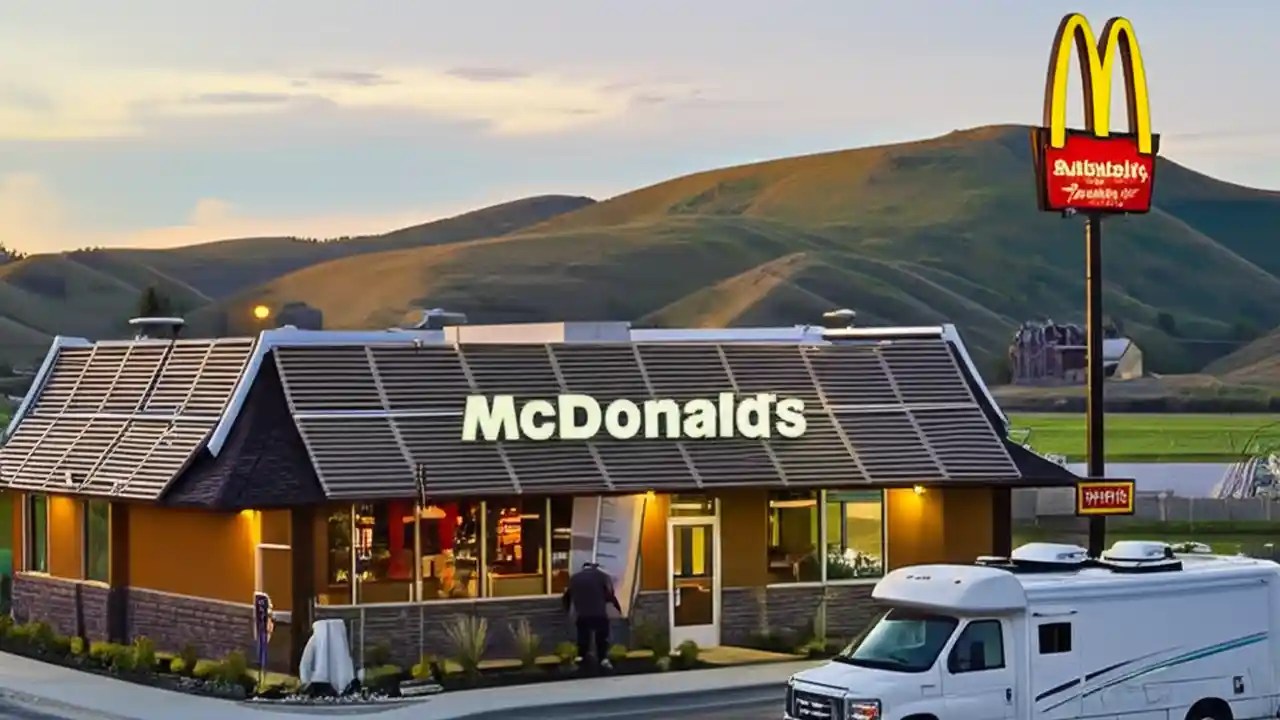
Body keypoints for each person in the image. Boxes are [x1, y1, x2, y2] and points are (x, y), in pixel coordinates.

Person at [561, 562, 622, 668]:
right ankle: (602, 658)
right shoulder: (601, 576)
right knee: (601, 636)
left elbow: (567, 596)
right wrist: (617, 607)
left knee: (583, 636)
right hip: (598, 613)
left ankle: (581, 657)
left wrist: (567, 610)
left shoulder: (574, 578)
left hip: (582, 613)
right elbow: (608, 594)